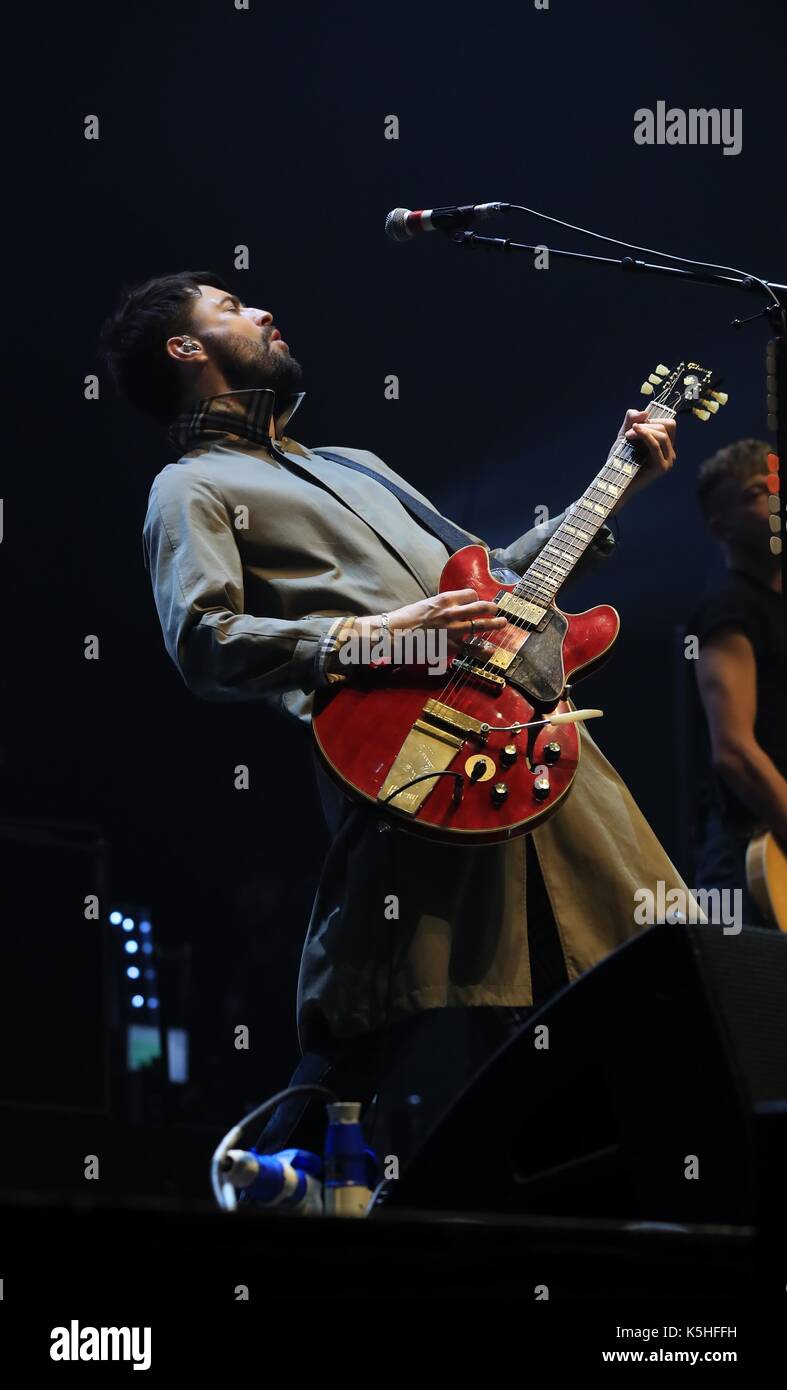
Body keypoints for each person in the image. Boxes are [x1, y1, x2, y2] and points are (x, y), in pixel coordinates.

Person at [101, 270, 692, 1167]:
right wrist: (376, 634)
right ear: (184, 349)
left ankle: (618, 1180)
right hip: (411, 756)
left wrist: (613, 486)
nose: (262, 310)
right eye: (229, 306)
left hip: (536, 735)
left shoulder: (357, 465)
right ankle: (293, 1175)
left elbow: (494, 578)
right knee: (385, 994)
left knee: (638, 966)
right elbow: (203, 640)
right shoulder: (190, 486)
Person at [689, 438, 787, 925]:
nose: (775, 500)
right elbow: (734, 752)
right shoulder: (728, 606)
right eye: (755, 493)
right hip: (751, 856)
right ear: (719, 525)